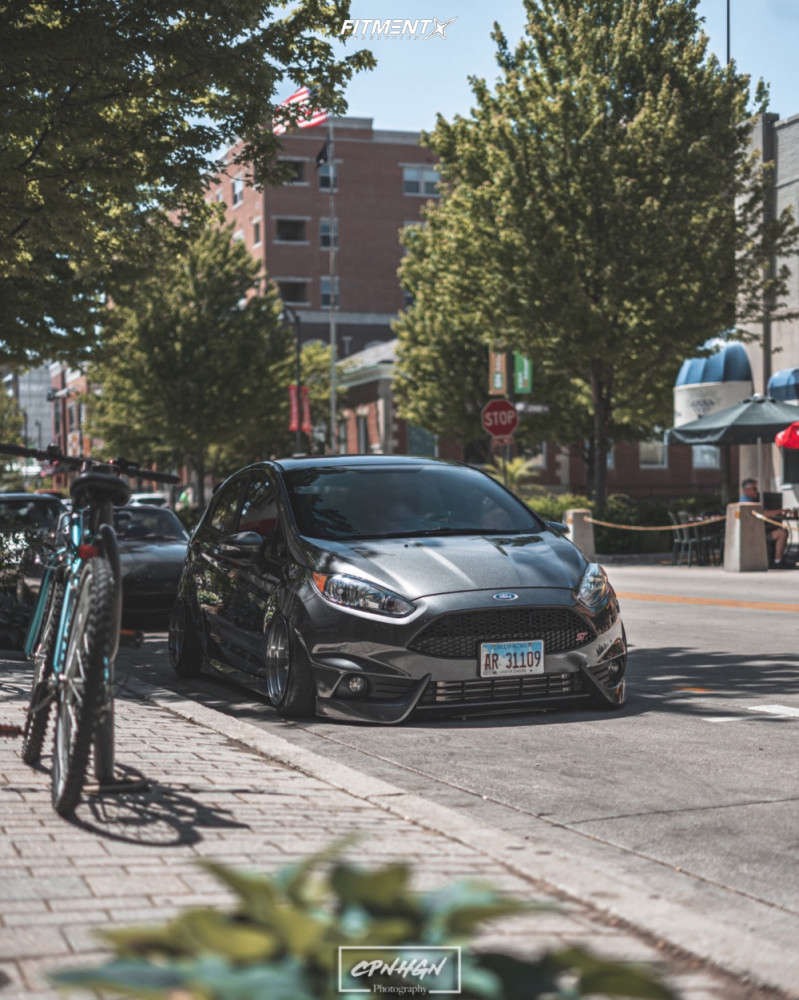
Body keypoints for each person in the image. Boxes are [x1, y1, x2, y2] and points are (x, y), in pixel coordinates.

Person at [739, 478, 793, 569]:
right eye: (754, 489)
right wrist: (780, 511)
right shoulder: (746, 502)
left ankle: (776, 559)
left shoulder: (752, 501)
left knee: (781, 530)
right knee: (782, 533)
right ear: (747, 490)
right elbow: (762, 514)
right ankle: (777, 561)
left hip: (757, 532)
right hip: (753, 535)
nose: (757, 491)